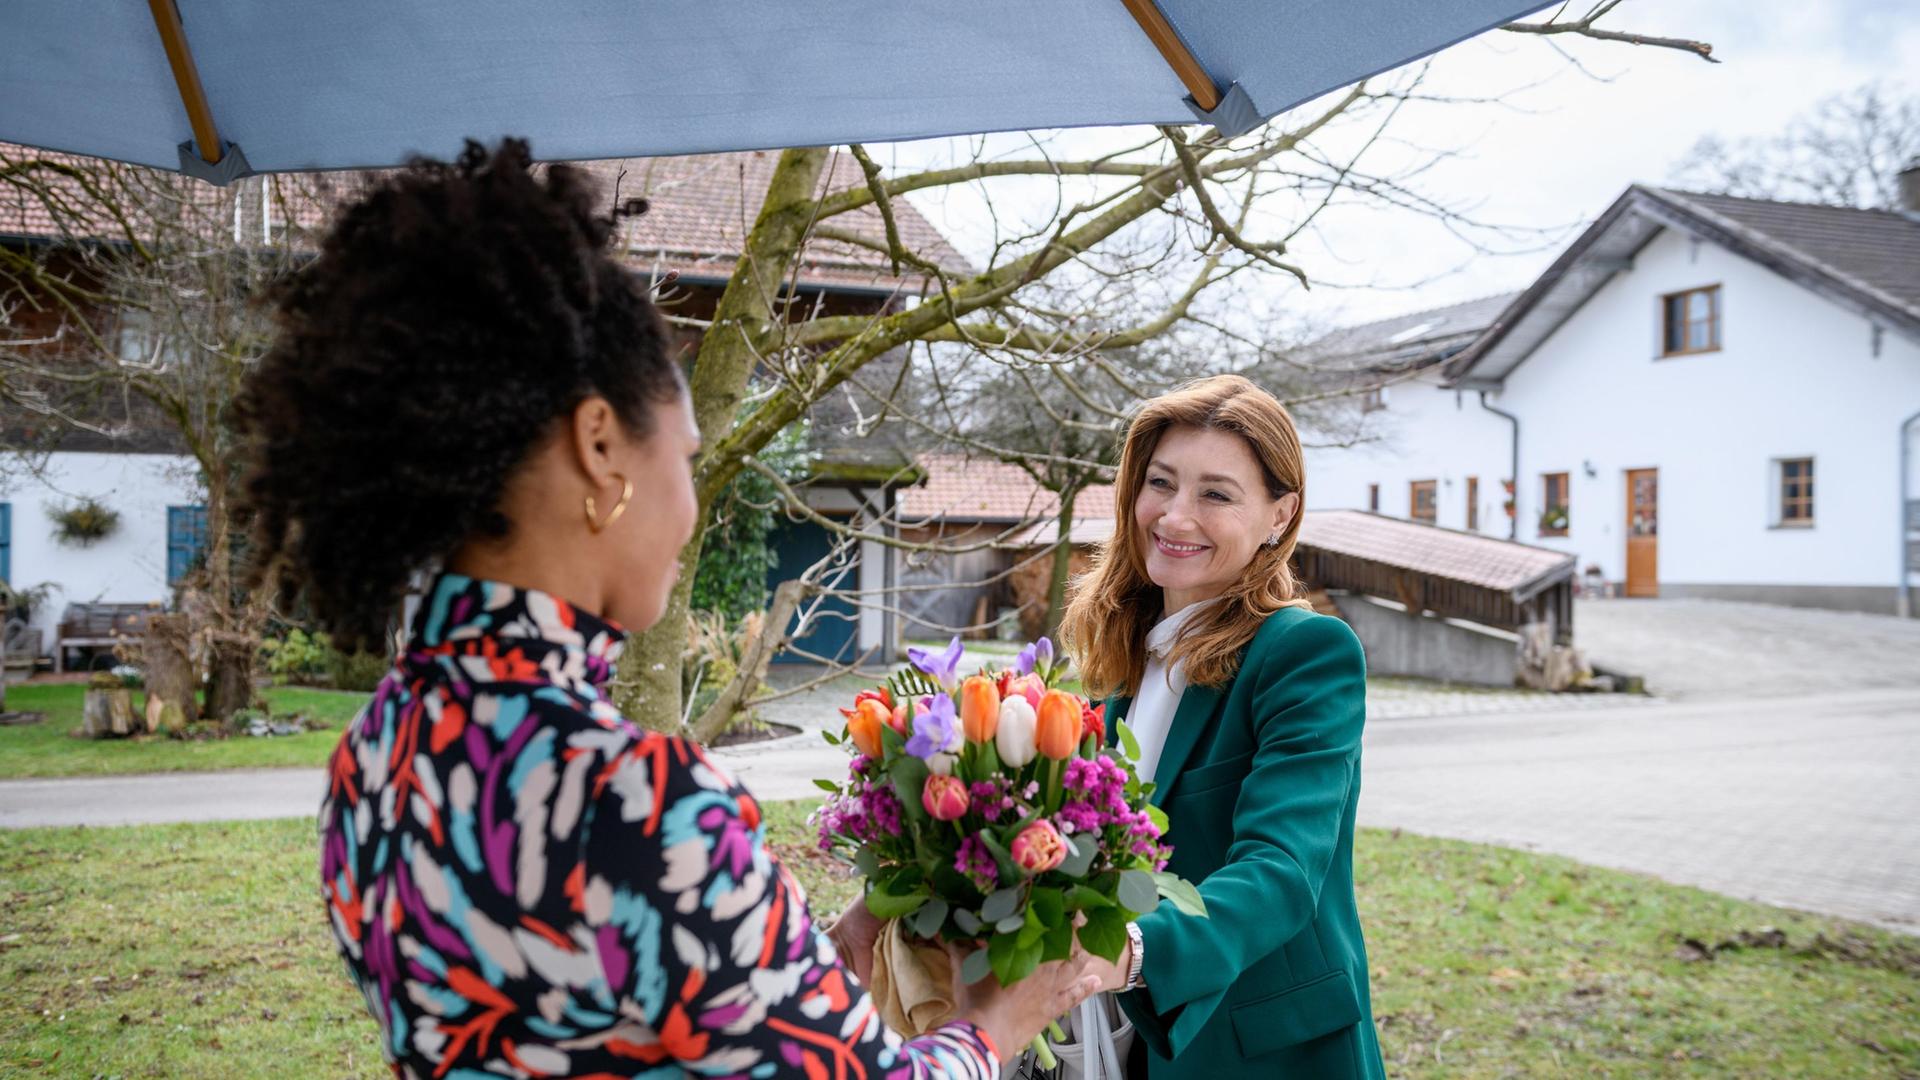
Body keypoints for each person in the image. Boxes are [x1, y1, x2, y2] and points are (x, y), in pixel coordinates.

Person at [234, 140, 1098, 1079]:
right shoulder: (636, 800)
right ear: (602, 447)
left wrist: (808, 945)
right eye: (682, 462)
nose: (692, 507)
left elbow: (590, 1001)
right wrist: (995, 1025)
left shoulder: (376, 751)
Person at [1061, 374, 1385, 1079]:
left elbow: (1282, 870)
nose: (1175, 517)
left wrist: (1135, 950)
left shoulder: (1304, 653)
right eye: (1161, 483)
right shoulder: (1125, 661)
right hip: (1129, 1040)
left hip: (1264, 1049)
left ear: (1279, 515)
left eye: (1215, 494)